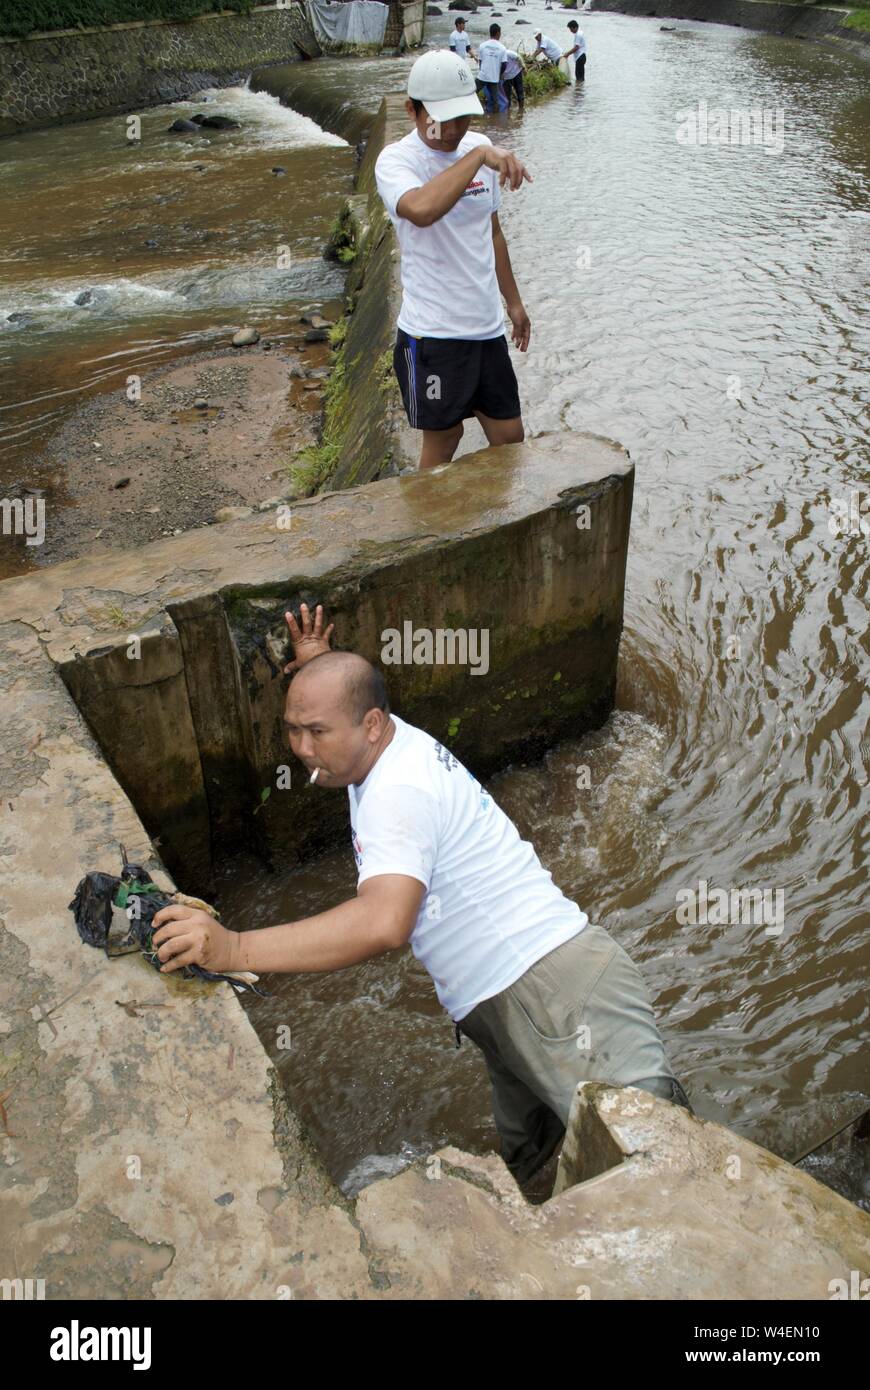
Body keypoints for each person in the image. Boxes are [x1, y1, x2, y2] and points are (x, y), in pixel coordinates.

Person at [152, 606, 694, 1191]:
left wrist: (233, 949)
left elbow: (384, 922)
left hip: (556, 994)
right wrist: (316, 667)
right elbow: (343, 707)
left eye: (317, 732)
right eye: (294, 729)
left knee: (659, 1174)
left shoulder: (397, 792)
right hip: (509, 1003)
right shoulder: (382, 743)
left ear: (373, 726)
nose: (302, 750)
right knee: (541, 1171)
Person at [370, 49, 531, 470]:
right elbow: (422, 210)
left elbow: (492, 232)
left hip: (485, 329)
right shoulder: (396, 161)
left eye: (464, 117)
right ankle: (427, 532)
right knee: (444, 442)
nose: (455, 130)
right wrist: (476, 158)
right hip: (433, 338)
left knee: (510, 440)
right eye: (444, 118)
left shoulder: (477, 144)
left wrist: (513, 304)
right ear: (412, 110)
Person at [476, 22, 508, 115]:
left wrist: (482, 71)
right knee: (495, 101)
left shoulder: (482, 45)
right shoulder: (502, 48)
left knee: (473, 93)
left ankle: (467, 113)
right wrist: (498, 74)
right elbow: (504, 65)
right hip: (494, 78)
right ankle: (495, 120)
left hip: (482, 76)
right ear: (498, 33)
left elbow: (480, 62)